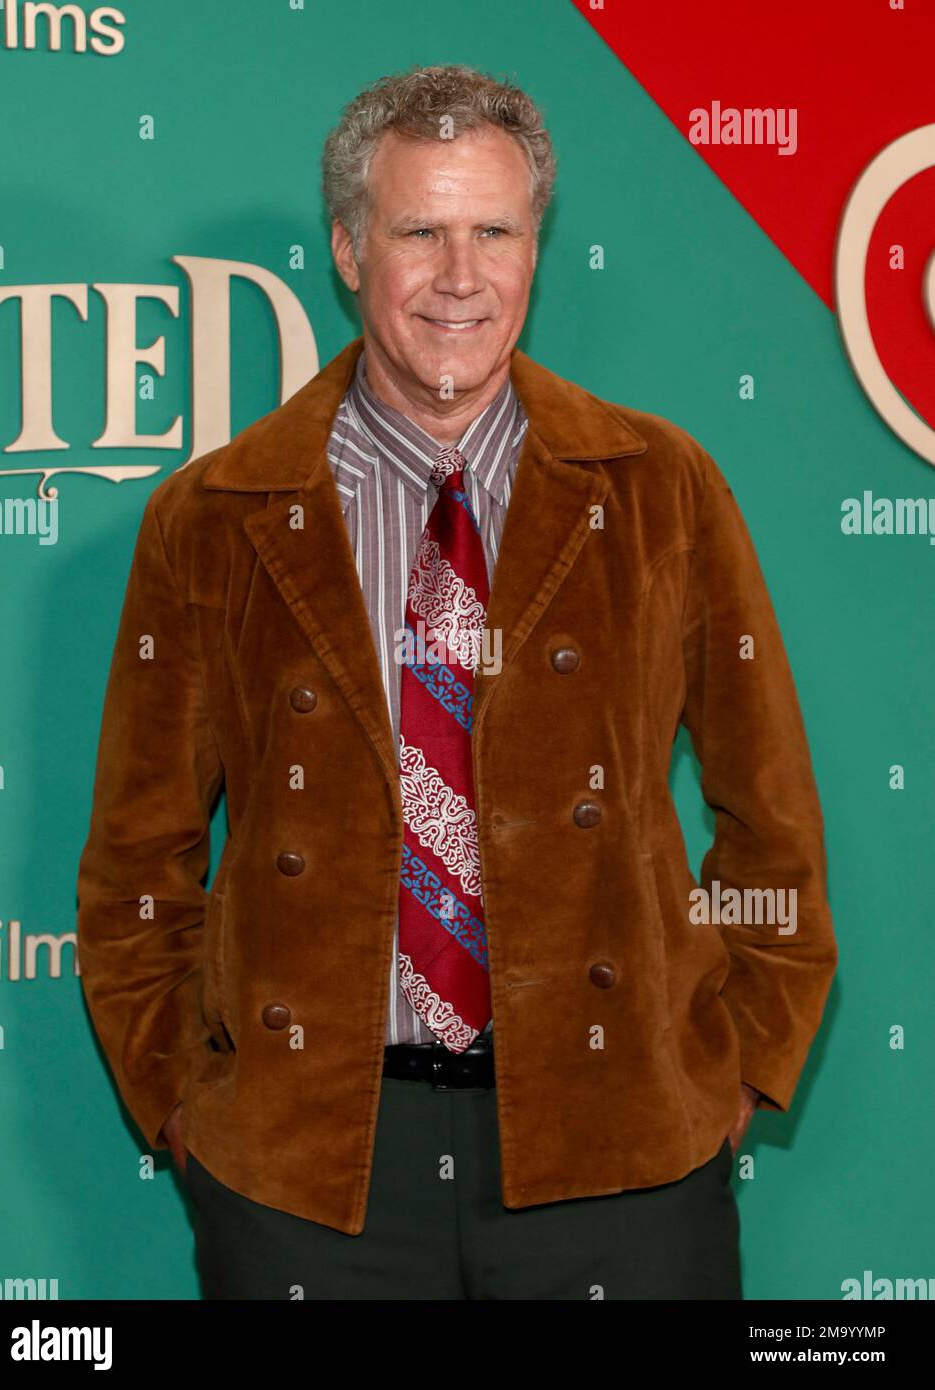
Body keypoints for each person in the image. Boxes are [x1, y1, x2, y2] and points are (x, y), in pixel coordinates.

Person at [76, 63, 838, 1300]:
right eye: (417, 230)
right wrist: (187, 1111)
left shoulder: (657, 489)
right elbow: (134, 864)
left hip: (621, 1159)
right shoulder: (213, 517)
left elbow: (772, 831)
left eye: (493, 229)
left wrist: (726, 1078)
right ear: (345, 245)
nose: (459, 275)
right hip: (309, 1179)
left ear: (536, 245)